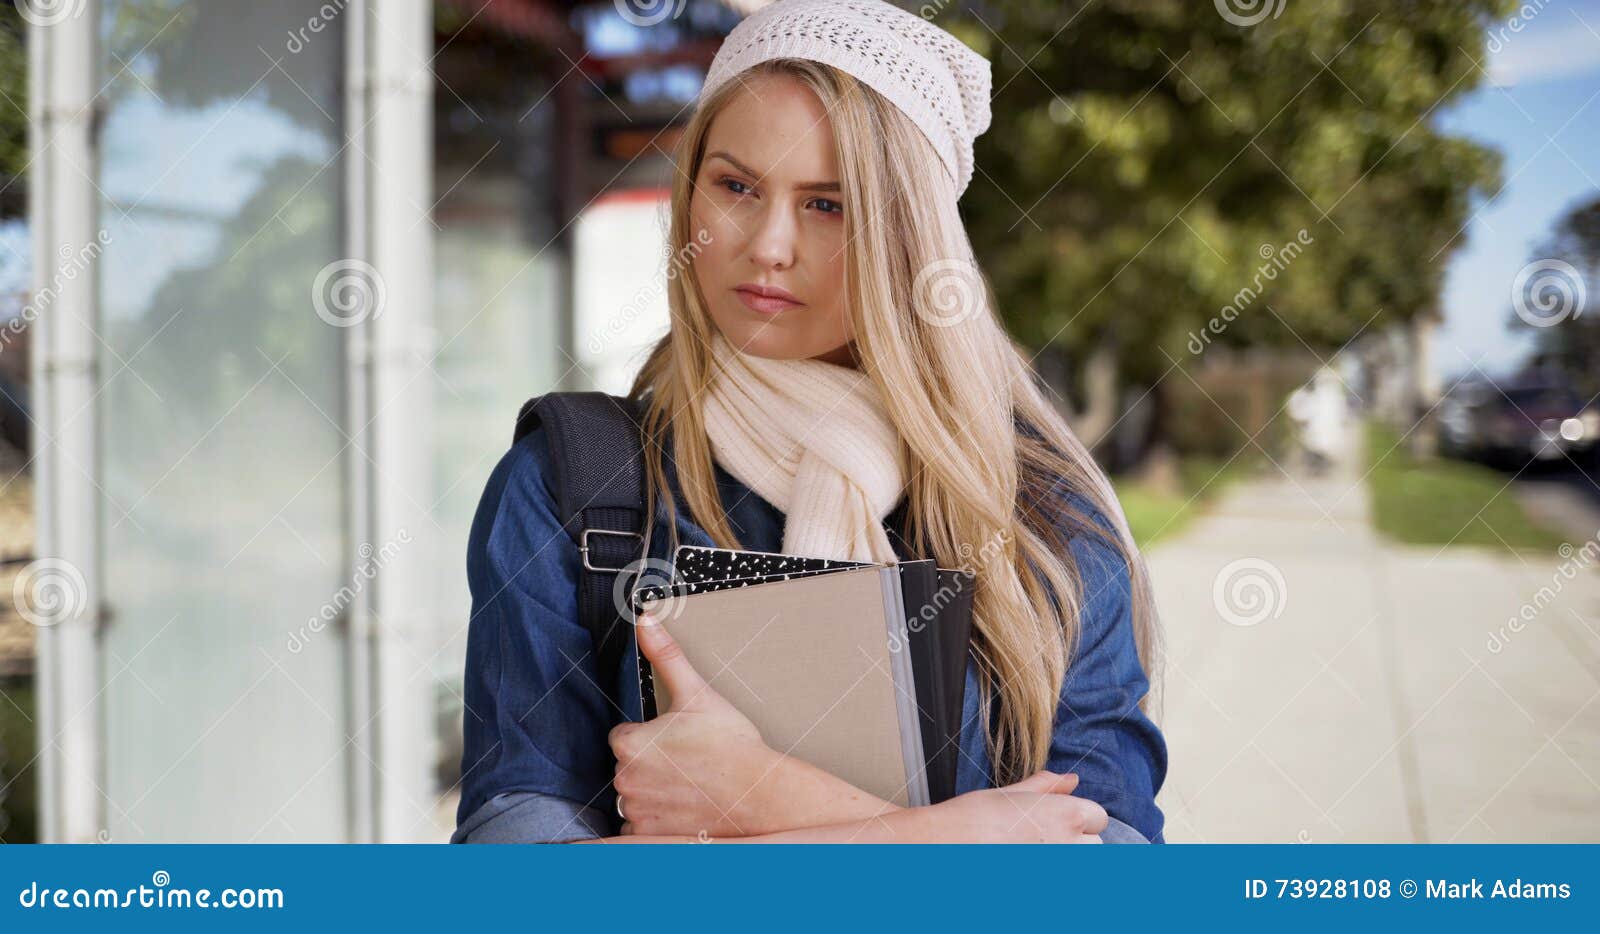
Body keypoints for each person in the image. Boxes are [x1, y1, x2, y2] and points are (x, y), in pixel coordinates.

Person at [453, 0, 1166, 844]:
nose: (768, 245)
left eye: (828, 205)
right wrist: (951, 845)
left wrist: (762, 799)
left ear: (909, 240)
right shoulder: (575, 485)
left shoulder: (1043, 517)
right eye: (737, 186)